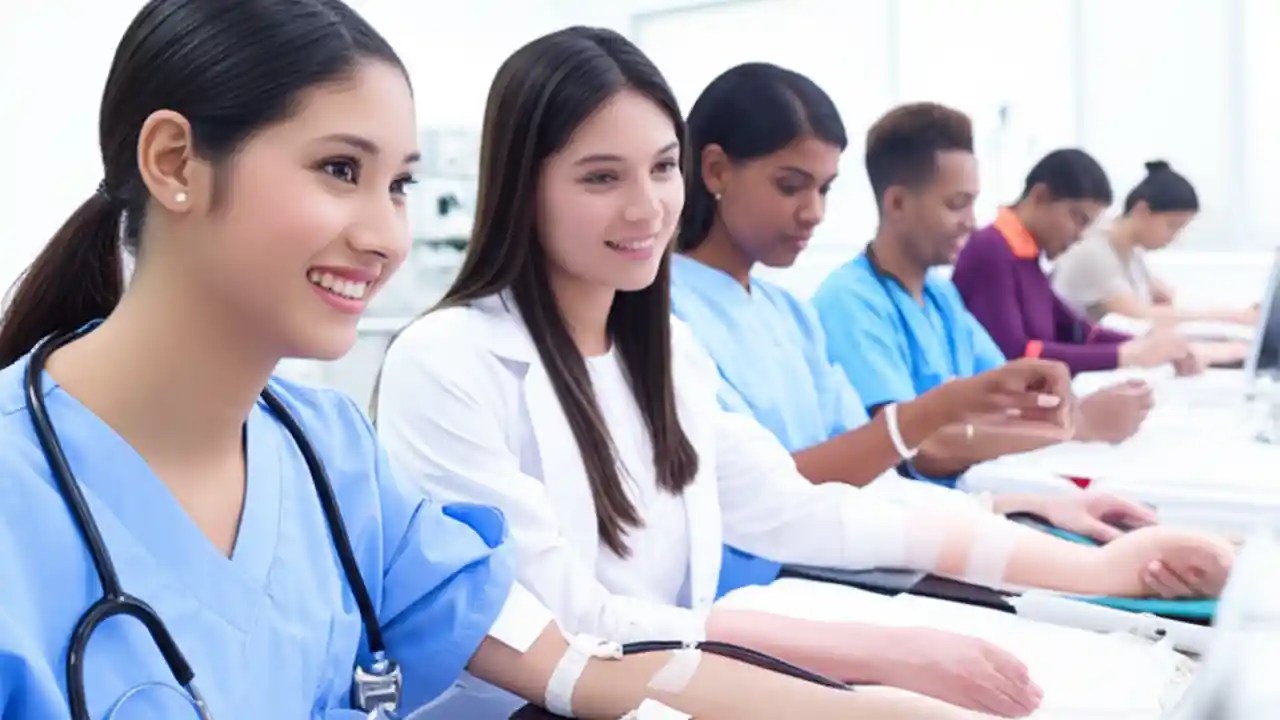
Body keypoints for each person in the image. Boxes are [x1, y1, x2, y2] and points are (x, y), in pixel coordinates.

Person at [0, 4, 941, 719]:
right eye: (340, 170)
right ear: (173, 162)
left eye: (400, 183)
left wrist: (855, 704)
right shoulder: (19, 497)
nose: (386, 236)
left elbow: (578, 664)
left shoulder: (330, 455)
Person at [375, 28, 1235, 720]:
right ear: (521, 188)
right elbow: (573, 629)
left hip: (686, 676)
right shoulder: (448, 363)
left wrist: (1094, 569)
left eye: (661, 168)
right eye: (602, 177)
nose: (648, 209)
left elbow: (796, 506)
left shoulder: (666, 350)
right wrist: (874, 662)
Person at [672, 68, 1160, 595]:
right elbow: (776, 495)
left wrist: (1011, 507)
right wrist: (944, 412)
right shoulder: (670, 317)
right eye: (790, 186)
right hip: (768, 589)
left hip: (847, 557)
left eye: (826, 189)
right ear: (716, 171)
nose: (814, 212)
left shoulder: (789, 312)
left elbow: (870, 472)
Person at [809, 104, 1155, 483]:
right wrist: (1077, 425)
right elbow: (919, 448)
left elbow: (1005, 397)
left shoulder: (941, 296)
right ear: (897, 203)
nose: (972, 222)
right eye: (956, 204)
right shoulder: (850, 303)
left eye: (973, 202)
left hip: (981, 493)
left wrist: (1067, 406)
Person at [952, 148, 1202, 377]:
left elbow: (1078, 332)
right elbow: (1015, 354)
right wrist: (1129, 354)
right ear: (1040, 196)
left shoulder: (1026, 257)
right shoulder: (991, 249)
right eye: (1079, 219)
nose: (1080, 235)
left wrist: (1145, 344)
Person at [1052, 161, 1257, 364]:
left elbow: (1170, 296)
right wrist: (1234, 317)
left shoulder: (1130, 251)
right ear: (1142, 211)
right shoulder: (1093, 251)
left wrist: (1240, 313)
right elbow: (1138, 316)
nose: (1173, 237)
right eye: (1172, 225)